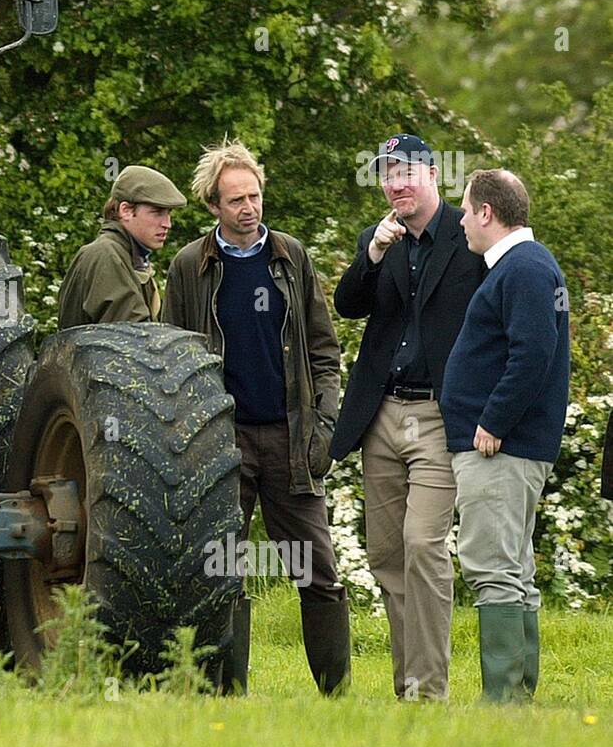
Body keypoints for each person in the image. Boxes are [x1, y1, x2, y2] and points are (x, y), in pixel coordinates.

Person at [163, 139, 349, 695]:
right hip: (223, 442)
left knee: (318, 571)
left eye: (255, 195)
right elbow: (173, 358)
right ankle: (224, 694)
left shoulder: (291, 256)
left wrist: (325, 426)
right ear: (214, 206)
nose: (249, 207)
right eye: (236, 199)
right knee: (221, 572)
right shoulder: (189, 266)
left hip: (292, 440)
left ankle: (338, 696)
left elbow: (324, 350)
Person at [331, 133, 486, 701]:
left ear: (432, 176)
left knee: (424, 544)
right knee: (387, 555)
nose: (394, 183)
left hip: (439, 415)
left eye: (404, 172)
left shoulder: (467, 237)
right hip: (381, 415)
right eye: (386, 174)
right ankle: (408, 686)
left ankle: (429, 689)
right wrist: (370, 254)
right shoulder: (379, 239)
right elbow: (348, 305)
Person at [442, 169, 569, 702]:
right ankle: (517, 699)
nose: (463, 221)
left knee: (493, 570)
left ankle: (503, 703)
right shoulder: (528, 266)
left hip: (501, 449)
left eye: (467, 210)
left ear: (487, 213)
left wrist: (493, 421)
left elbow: (533, 354)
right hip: (511, 449)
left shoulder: (522, 268)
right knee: (514, 570)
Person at [57, 165, 186, 330]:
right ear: (125, 210)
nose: (167, 224)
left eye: (169, 214)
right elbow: (135, 339)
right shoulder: (106, 255)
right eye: (157, 212)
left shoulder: (127, 255)